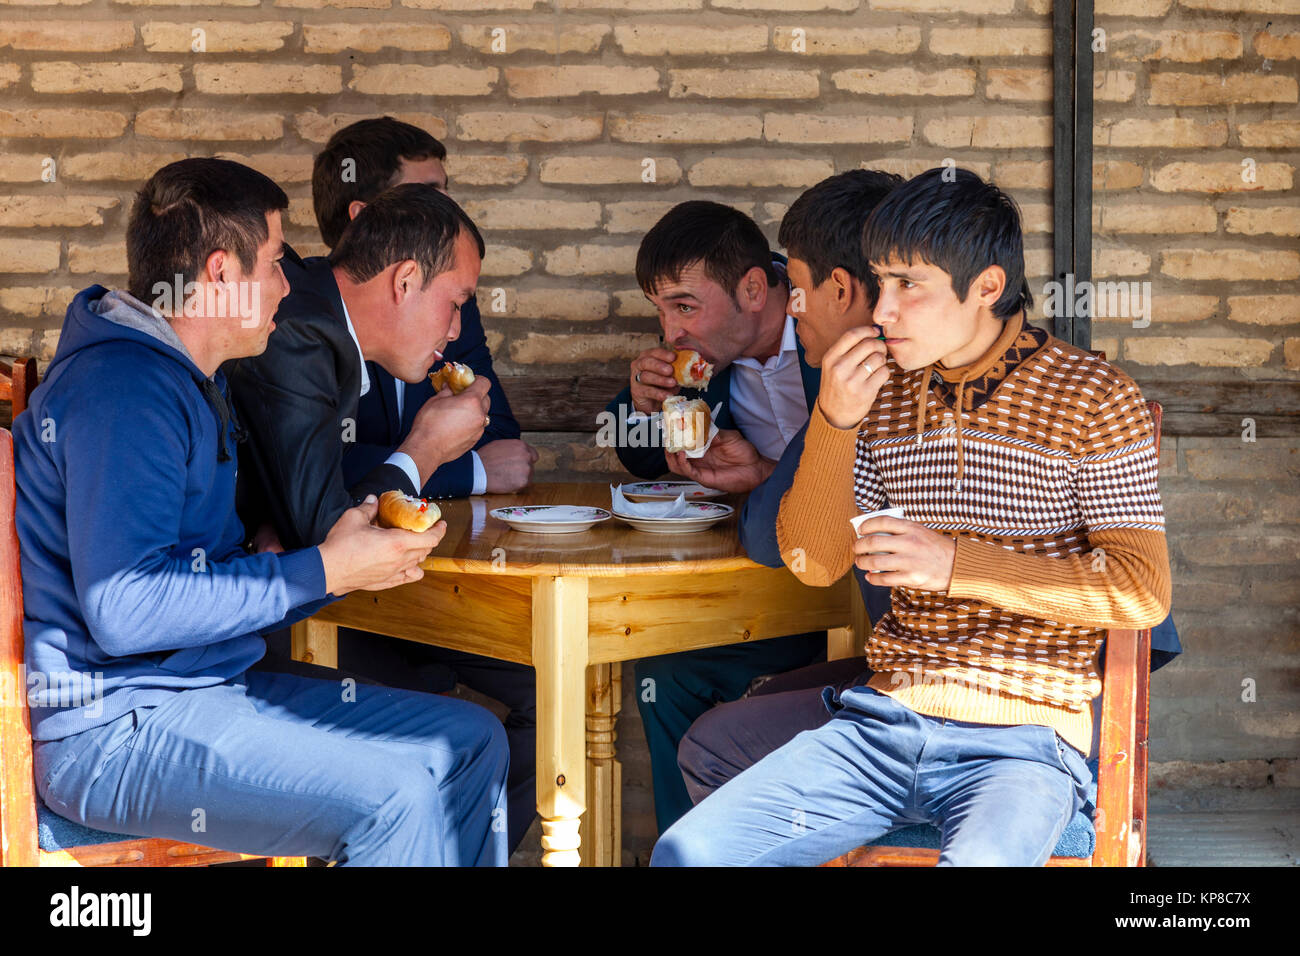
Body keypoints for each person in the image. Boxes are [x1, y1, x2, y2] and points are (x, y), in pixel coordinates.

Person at [652, 167, 1172, 866]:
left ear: (986, 287)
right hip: (885, 722)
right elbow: (814, 561)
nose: (883, 310)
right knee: (691, 852)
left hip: (1023, 741)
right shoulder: (884, 396)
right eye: (879, 281)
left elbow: (1141, 589)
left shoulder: (1095, 397)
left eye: (908, 285)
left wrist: (955, 563)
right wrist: (834, 420)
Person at [14, 158, 509, 865]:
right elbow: (123, 605)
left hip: (202, 689)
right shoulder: (124, 391)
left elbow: (191, 577)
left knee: (469, 741)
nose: (287, 285)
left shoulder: (187, 383)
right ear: (220, 273)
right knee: (397, 794)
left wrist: (301, 560)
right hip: (119, 726)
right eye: (276, 262)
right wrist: (326, 569)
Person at [257, 116, 538, 852]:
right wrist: (421, 448)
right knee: (453, 734)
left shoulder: (334, 330)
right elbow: (327, 538)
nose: (456, 329)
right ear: (405, 279)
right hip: (274, 622)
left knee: (553, 688)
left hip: (400, 592)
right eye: (454, 303)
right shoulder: (300, 333)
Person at [602, 200, 829, 834]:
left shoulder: (830, 325)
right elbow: (646, 460)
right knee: (665, 667)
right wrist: (643, 405)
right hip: (759, 578)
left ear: (754, 289)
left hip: (850, 580)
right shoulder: (703, 360)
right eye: (660, 310)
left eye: (683, 306)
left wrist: (765, 477)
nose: (669, 331)